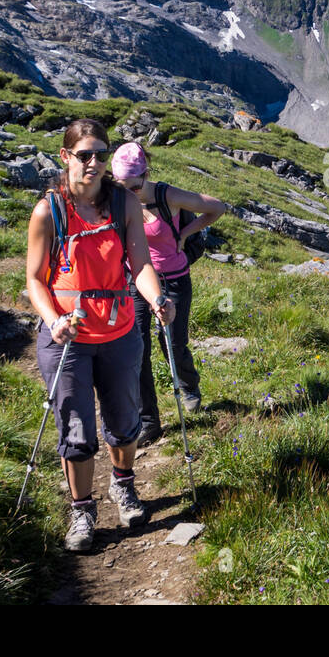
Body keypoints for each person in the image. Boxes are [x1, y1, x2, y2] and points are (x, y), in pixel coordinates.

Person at [26, 119, 175, 553]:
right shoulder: (48, 211)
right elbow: (35, 280)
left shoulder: (124, 204)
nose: (94, 162)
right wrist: (53, 319)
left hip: (119, 329)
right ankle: (82, 510)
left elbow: (141, 263)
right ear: (65, 156)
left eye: (101, 154)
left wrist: (155, 298)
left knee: (126, 421)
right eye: (84, 154)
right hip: (67, 336)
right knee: (75, 428)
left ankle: (123, 486)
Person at [112, 142, 226, 440]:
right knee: (138, 349)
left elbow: (217, 207)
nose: (129, 193)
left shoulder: (167, 195)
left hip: (173, 280)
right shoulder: (117, 199)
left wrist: (184, 233)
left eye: (134, 187)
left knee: (173, 344)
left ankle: (188, 385)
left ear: (146, 174)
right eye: (122, 187)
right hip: (136, 282)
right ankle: (148, 421)